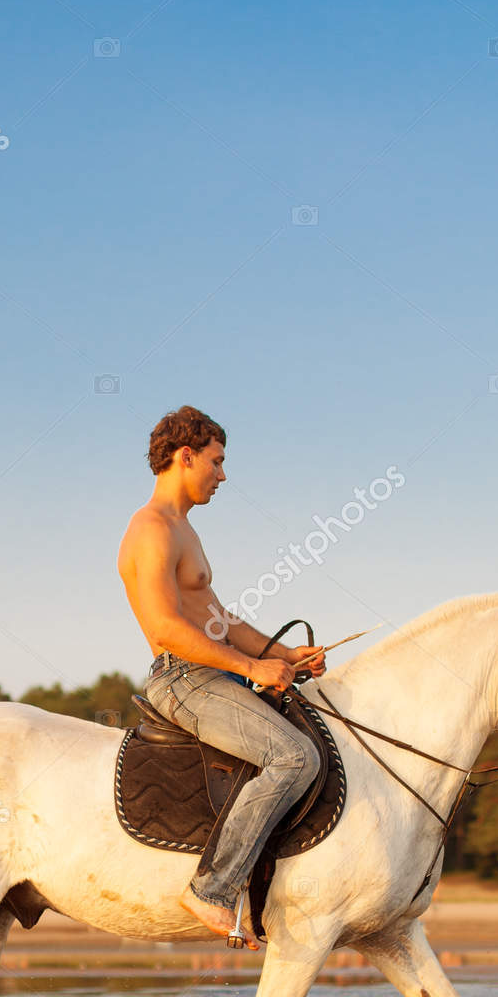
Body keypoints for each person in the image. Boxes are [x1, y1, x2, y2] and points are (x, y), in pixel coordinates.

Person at [117, 406, 326, 950]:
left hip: (208, 670)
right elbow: (165, 628)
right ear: (186, 456)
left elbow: (222, 622)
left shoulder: (183, 530)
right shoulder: (152, 529)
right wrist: (252, 668)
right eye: (217, 461)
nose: (223, 475)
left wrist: (285, 655)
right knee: (295, 756)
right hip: (185, 679)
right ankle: (212, 889)